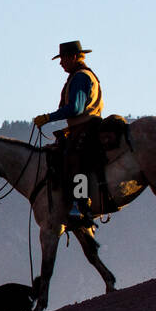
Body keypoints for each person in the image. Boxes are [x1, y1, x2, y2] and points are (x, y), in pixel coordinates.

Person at [33, 40, 104, 225]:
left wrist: (49, 117)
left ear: (73, 57)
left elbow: (76, 108)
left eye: (63, 58)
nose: (61, 63)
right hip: (84, 126)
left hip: (86, 127)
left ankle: (80, 204)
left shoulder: (80, 77)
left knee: (75, 159)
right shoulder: (81, 75)